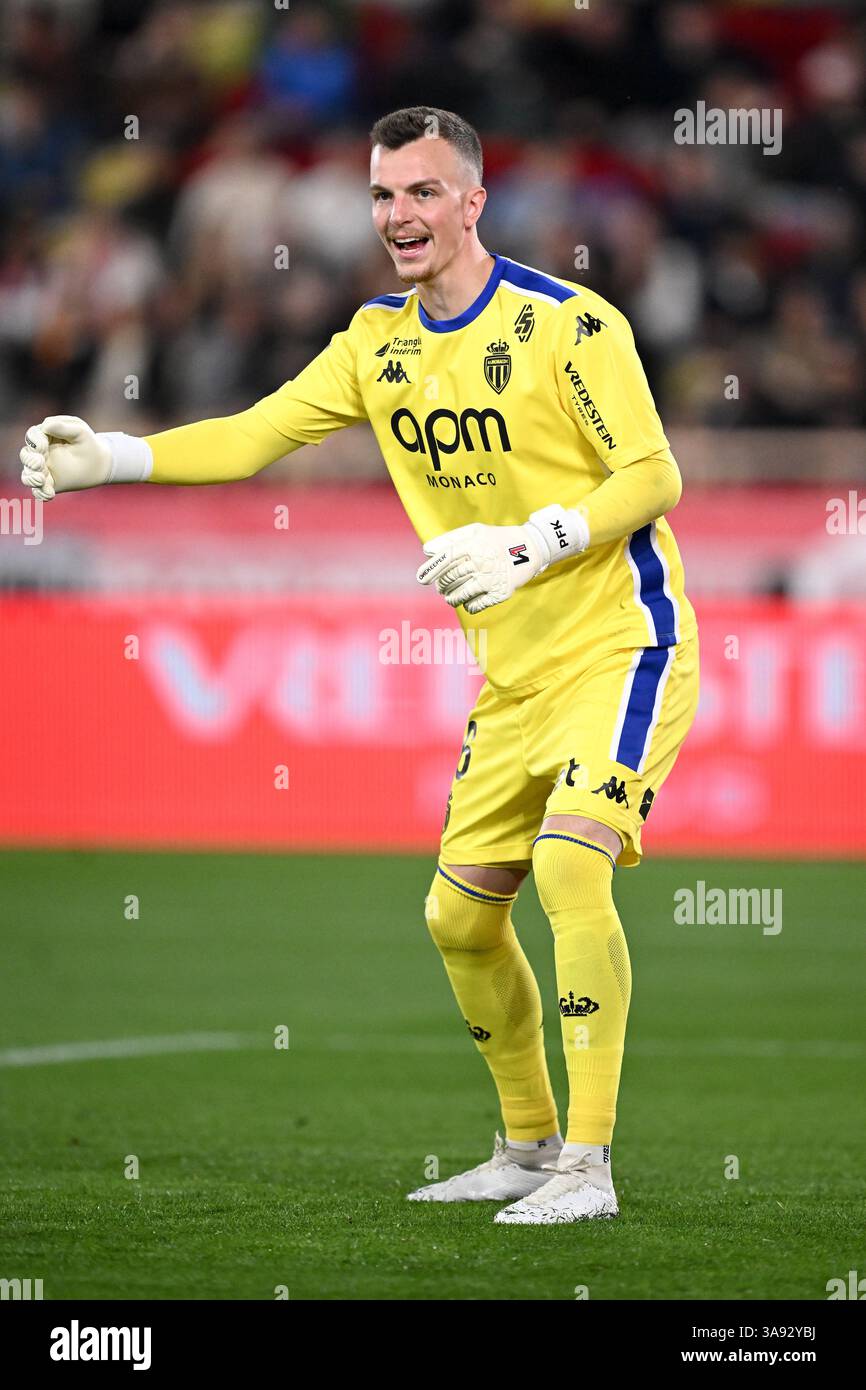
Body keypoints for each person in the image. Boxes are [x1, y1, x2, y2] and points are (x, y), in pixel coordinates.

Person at [20, 105, 699, 1225]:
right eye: (383, 195)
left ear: (473, 202)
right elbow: (253, 434)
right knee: (457, 920)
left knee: (572, 866)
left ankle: (588, 1168)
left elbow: (652, 474)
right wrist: (116, 455)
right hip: (513, 677)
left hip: (622, 644)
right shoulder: (374, 342)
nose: (398, 216)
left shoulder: (567, 326)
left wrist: (532, 540)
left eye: (423, 193)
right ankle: (525, 1147)